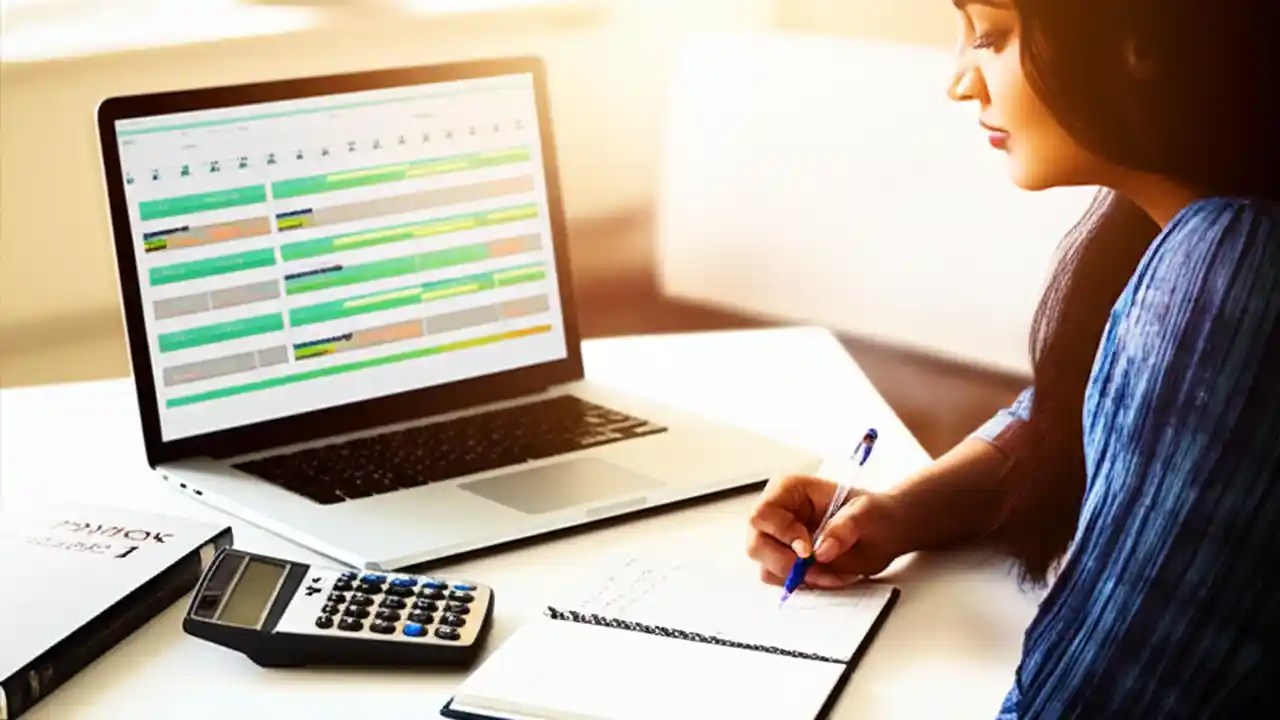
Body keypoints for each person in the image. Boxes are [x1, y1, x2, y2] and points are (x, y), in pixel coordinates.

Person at [745, 0, 1279, 717]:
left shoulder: (1231, 267)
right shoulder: (1187, 226)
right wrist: (898, 512)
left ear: (1138, 41)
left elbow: (1097, 699)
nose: (959, 82)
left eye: (991, 37)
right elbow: (1080, 413)